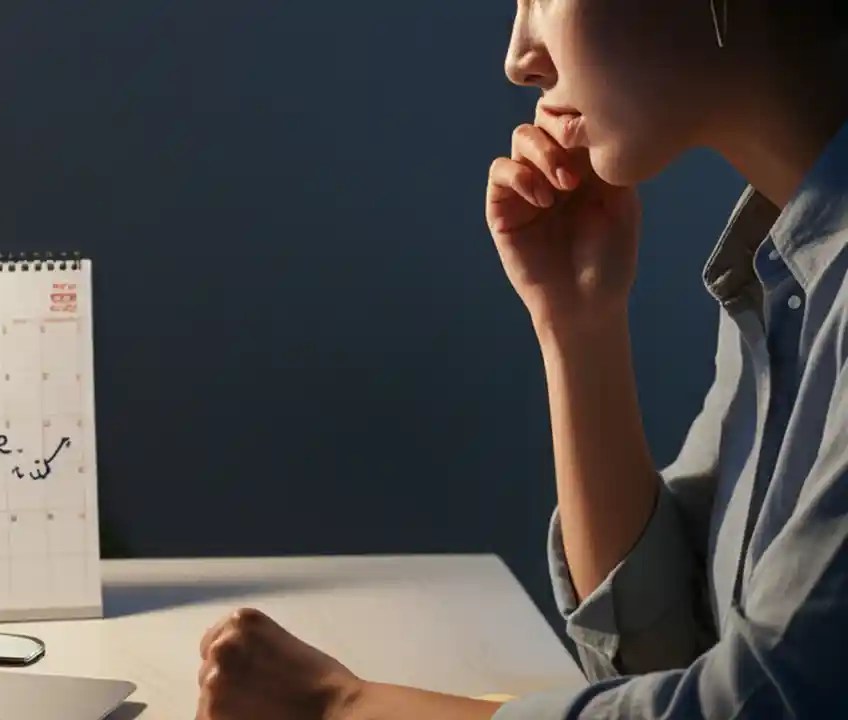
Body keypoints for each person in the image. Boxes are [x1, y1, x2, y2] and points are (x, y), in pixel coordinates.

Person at [193, 0, 848, 718]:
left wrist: (340, 706)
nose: (519, 57)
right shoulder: (788, 274)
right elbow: (669, 662)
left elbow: (761, 706)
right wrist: (578, 326)